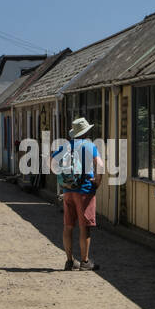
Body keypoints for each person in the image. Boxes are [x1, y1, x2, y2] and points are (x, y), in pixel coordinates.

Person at [50, 116, 104, 271]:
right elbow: (100, 165)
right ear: (86, 132)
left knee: (68, 226)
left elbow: (51, 162)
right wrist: (97, 183)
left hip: (68, 190)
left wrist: (61, 178)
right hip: (85, 190)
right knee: (84, 227)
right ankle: (85, 261)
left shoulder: (65, 146)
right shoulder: (89, 146)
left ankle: (69, 261)